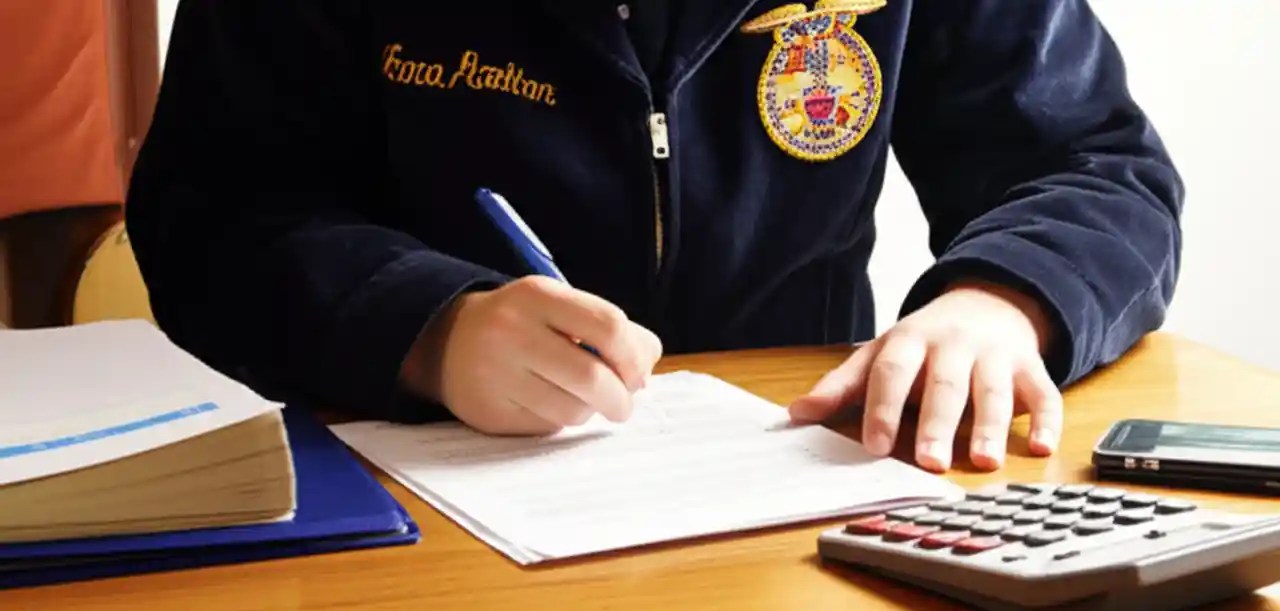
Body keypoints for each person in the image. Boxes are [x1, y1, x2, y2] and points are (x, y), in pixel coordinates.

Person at [125, 0, 1183, 473]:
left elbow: (1095, 165)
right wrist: (425, 326)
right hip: (413, 508)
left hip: (797, 492)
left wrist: (999, 303)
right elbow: (212, 214)